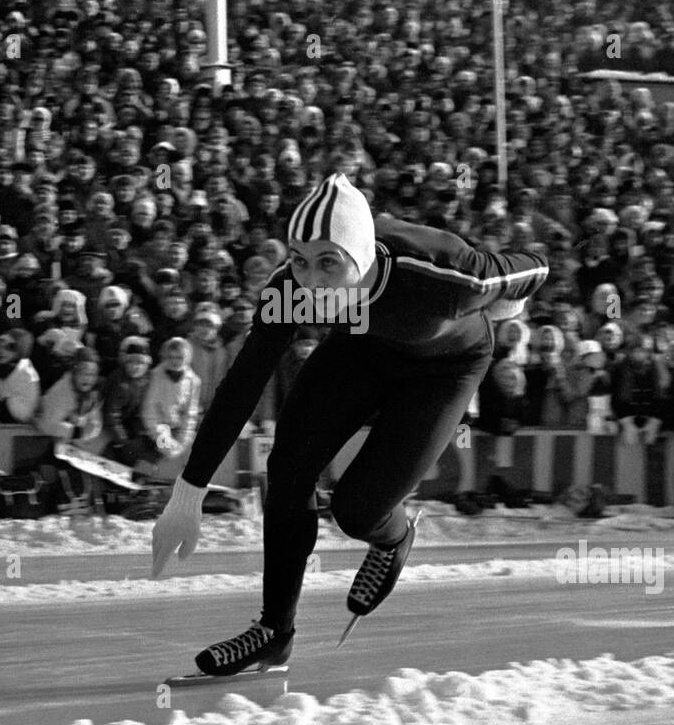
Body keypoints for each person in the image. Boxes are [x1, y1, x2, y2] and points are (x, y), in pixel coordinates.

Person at [151, 174, 548, 675]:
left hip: (444, 368)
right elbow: (243, 383)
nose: (311, 281)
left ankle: (392, 538)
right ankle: (274, 632)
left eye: (328, 264)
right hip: (361, 352)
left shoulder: (445, 276)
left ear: (361, 257)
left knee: (356, 511)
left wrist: (510, 303)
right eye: (299, 260)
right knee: (290, 465)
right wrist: (189, 492)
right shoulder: (289, 289)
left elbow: (537, 266)